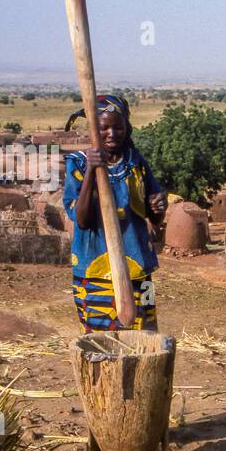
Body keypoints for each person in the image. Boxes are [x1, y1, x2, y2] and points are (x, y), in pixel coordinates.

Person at [62, 94, 166, 331]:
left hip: (137, 267)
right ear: (92, 130)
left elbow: (155, 218)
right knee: (101, 345)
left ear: (126, 128)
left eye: (118, 127)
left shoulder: (136, 163)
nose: (112, 133)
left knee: (143, 339)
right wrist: (92, 170)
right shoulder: (77, 164)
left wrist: (158, 206)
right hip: (95, 268)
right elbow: (83, 219)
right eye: (104, 128)